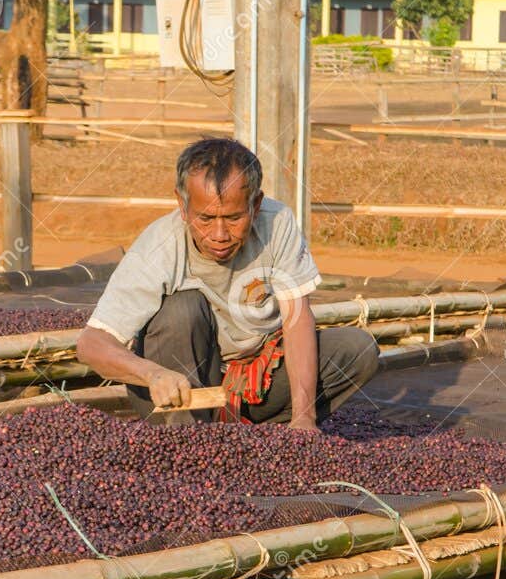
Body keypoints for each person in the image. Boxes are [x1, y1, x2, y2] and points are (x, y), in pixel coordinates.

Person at [75, 137, 379, 431]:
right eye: (205, 219)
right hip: (180, 389)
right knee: (183, 307)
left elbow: (296, 320)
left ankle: (260, 432)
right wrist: (152, 374)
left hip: (257, 382)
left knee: (357, 350)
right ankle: (186, 439)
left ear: (255, 205)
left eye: (233, 218)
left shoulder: (277, 224)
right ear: (182, 207)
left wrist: (304, 416)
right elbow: (92, 344)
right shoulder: (159, 248)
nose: (219, 234)